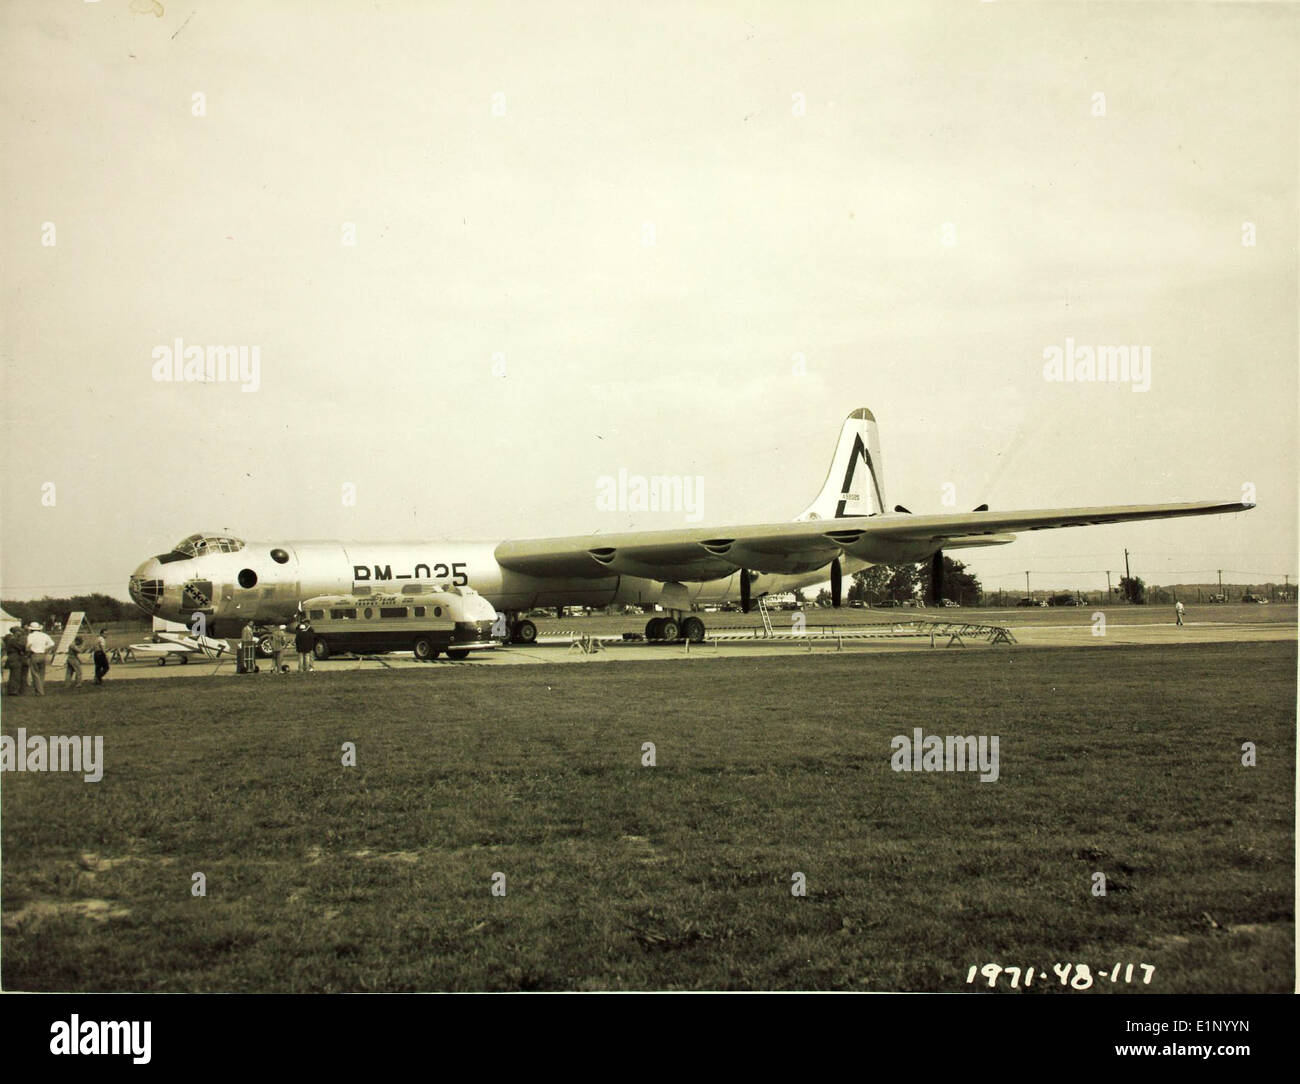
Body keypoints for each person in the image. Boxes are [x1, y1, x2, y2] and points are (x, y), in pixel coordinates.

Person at [25, 622, 56, 696]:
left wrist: (28, 650)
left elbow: (29, 645)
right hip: (42, 654)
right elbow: (52, 644)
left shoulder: (31, 636)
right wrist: (45, 648)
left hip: (34, 654)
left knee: (35, 673)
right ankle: (40, 689)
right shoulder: (44, 635)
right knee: (42, 673)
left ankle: (39, 691)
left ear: (31, 629)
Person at [4, 623, 28, 696]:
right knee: (15, 674)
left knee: (13, 674)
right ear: (16, 632)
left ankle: (12, 689)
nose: (20, 633)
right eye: (19, 632)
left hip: (12, 656)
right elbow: (20, 647)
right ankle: (13, 691)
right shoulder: (13, 640)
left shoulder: (10, 639)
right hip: (14, 657)